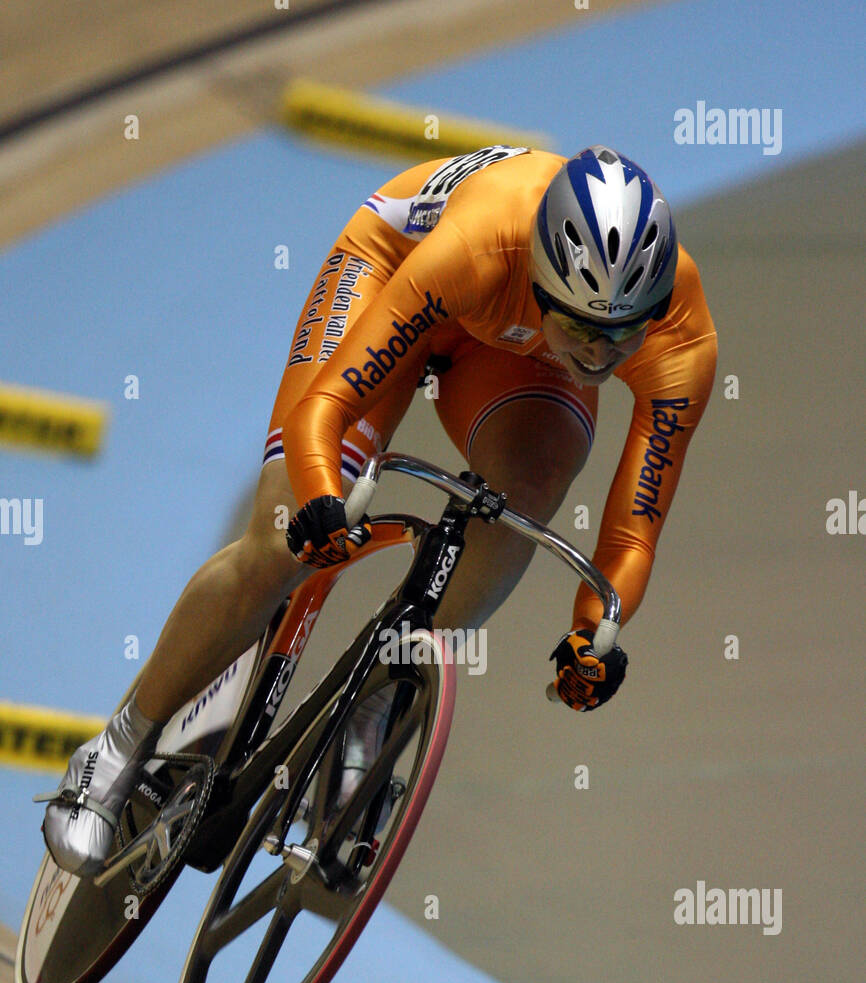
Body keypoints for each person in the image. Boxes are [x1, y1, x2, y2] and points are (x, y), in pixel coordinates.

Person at [40, 144, 717, 876]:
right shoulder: (479, 247)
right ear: (543, 281)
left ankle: (377, 708)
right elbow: (324, 410)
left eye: (624, 333)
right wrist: (323, 497)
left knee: (534, 486)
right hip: (393, 272)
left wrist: (595, 634)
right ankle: (114, 750)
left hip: (517, 344)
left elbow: (634, 527)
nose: (601, 355)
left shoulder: (681, 337)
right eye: (586, 328)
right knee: (279, 543)